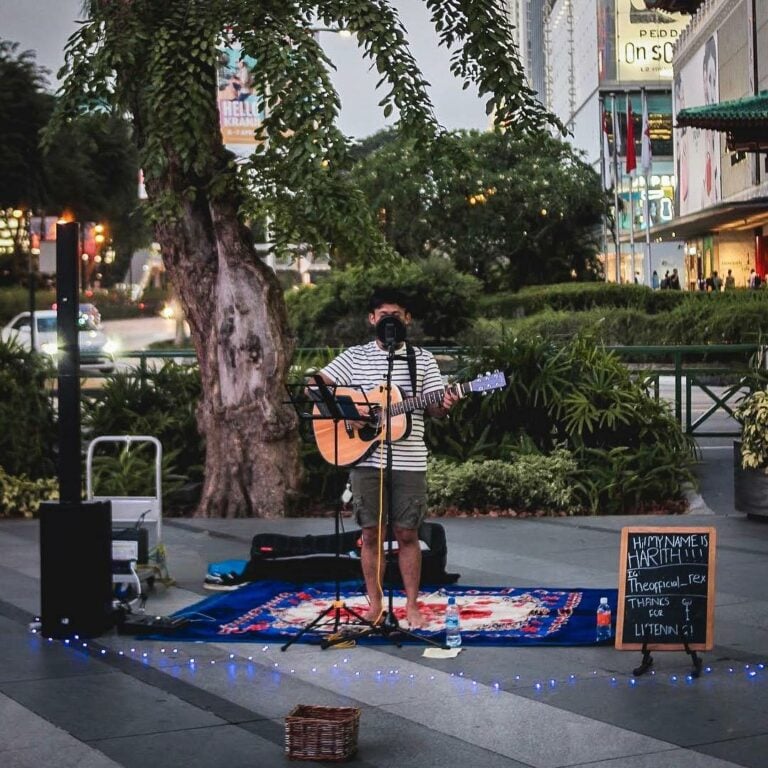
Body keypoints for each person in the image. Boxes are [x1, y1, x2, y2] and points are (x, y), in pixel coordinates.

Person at [316, 289, 459, 628]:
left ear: (406, 319)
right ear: (372, 319)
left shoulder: (421, 360)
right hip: (365, 458)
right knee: (370, 534)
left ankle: (411, 606)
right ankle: (375, 605)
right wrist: (346, 413)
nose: (390, 320)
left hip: (409, 460)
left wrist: (446, 402)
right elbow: (318, 384)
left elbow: (436, 409)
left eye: (396, 314)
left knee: (408, 533)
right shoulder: (354, 357)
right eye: (383, 315)